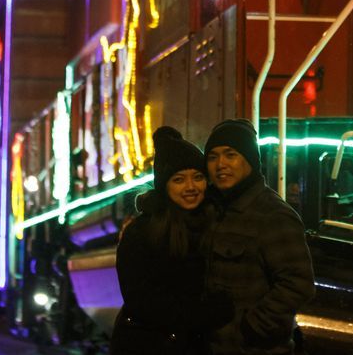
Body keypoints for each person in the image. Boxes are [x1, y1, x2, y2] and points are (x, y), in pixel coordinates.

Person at [112, 126, 233, 355]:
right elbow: (142, 302)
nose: (190, 187)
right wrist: (208, 314)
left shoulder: (215, 223)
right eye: (179, 179)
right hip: (149, 346)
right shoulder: (140, 233)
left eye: (197, 177)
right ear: (164, 185)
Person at [203, 119, 315, 355]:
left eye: (230, 154)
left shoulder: (272, 214)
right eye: (212, 157)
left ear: (250, 161)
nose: (220, 164)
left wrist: (251, 327)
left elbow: (298, 283)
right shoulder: (213, 210)